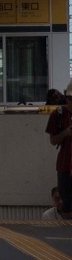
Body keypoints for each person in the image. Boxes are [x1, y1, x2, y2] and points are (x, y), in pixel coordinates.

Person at [44, 81, 72, 219]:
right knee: (67, 205)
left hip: (64, 164)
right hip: (65, 165)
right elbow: (53, 140)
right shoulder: (58, 114)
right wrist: (65, 133)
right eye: (70, 98)